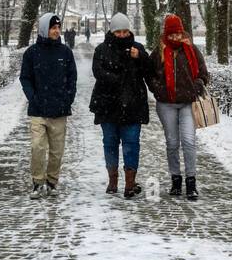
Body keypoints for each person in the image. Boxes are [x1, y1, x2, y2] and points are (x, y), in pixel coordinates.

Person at [146, 14, 209, 200]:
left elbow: (204, 72)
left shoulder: (191, 49)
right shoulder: (158, 52)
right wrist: (158, 89)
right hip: (166, 104)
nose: (175, 38)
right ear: (166, 34)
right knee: (172, 143)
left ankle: (191, 182)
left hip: (188, 103)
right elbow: (149, 75)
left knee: (189, 141)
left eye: (178, 34)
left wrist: (198, 84)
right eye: (172, 35)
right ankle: (175, 180)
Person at [89, 13, 149, 198]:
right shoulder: (101, 49)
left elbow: (150, 70)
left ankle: (130, 184)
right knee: (110, 143)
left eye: (125, 31)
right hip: (108, 104)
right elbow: (97, 71)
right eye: (118, 32)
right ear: (112, 31)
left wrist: (140, 57)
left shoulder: (137, 48)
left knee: (131, 143)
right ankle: (112, 181)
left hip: (133, 104)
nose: (122, 35)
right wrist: (117, 79)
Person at [19, 12, 77, 196]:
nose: (57, 31)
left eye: (58, 27)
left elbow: (72, 78)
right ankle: (37, 182)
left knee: (56, 151)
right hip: (38, 109)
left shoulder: (65, 52)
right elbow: (25, 78)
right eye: (53, 28)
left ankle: (52, 181)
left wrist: (68, 98)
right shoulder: (31, 53)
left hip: (59, 110)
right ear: (45, 29)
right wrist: (33, 97)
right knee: (38, 146)